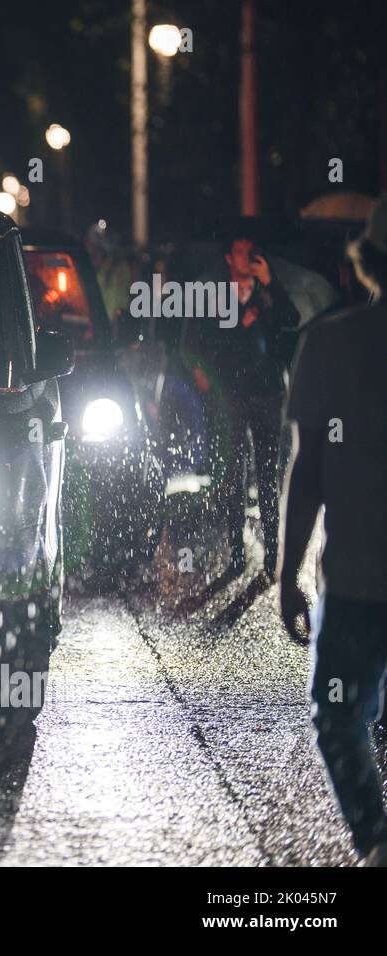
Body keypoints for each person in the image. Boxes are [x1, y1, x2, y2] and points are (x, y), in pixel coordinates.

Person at [278, 195, 387, 866]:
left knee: (340, 713)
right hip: (355, 578)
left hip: (357, 579)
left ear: (367, 260)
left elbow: (309, 471)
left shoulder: (329, 343)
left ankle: (375, 837)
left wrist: (287, 572)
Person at [186, 233, 300, 578]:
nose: (246, 256)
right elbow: (193, 336)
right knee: (232, 473)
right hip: (230, 392)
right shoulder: (215, 294)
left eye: (252, 250)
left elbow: (290, 318)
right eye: (240, 251)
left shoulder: (268, 293)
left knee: (268, 474)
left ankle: (272, 551)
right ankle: (236, 548)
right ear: (228, 258)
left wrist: (270, 283)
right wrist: (200, 373)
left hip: (266, 392)